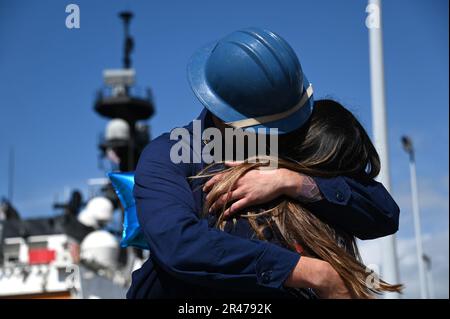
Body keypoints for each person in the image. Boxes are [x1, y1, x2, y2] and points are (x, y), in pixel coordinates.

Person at [127, 28, 399, 299]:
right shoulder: (169, 154)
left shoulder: (281, 148)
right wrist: (312, 272)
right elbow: (179, 244)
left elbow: (384, 215)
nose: (284, 132)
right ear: (230, 120)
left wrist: (293, 182)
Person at [200, 99, 403, 298]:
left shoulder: (316, 202)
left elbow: (387, 213)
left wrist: (292, 181)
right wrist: (318, 275)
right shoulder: (241, 190)